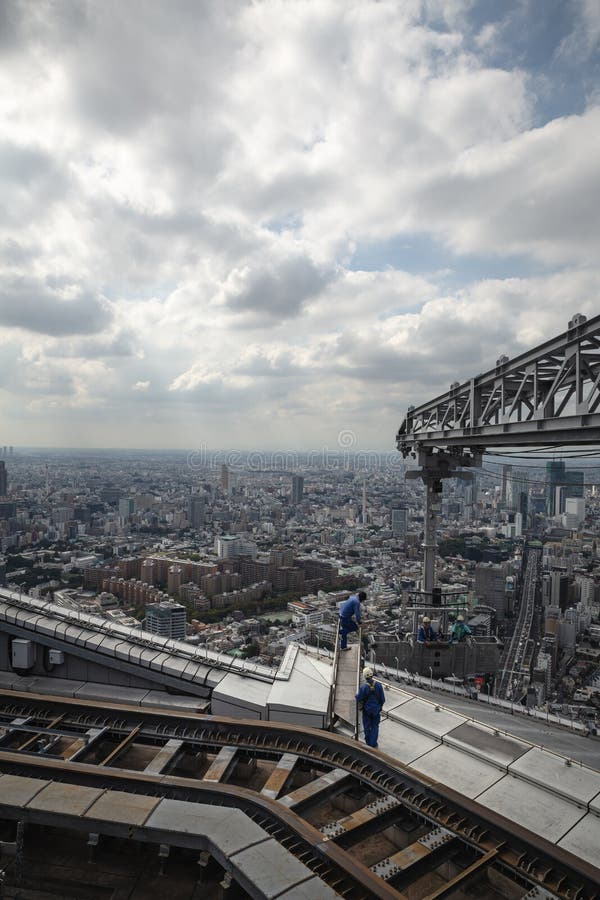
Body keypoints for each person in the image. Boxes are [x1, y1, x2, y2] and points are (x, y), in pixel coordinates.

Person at [356, 666, 385, 748]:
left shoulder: (364, 687)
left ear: (365, 676)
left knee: (367, 726)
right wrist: (379, 707)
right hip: (376, 710)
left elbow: (359, 698)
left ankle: (368, 743)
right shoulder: (379, 685)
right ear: (372, 675)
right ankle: (373, 744)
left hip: (367, 711)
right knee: (375, 726)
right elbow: (383, 699)